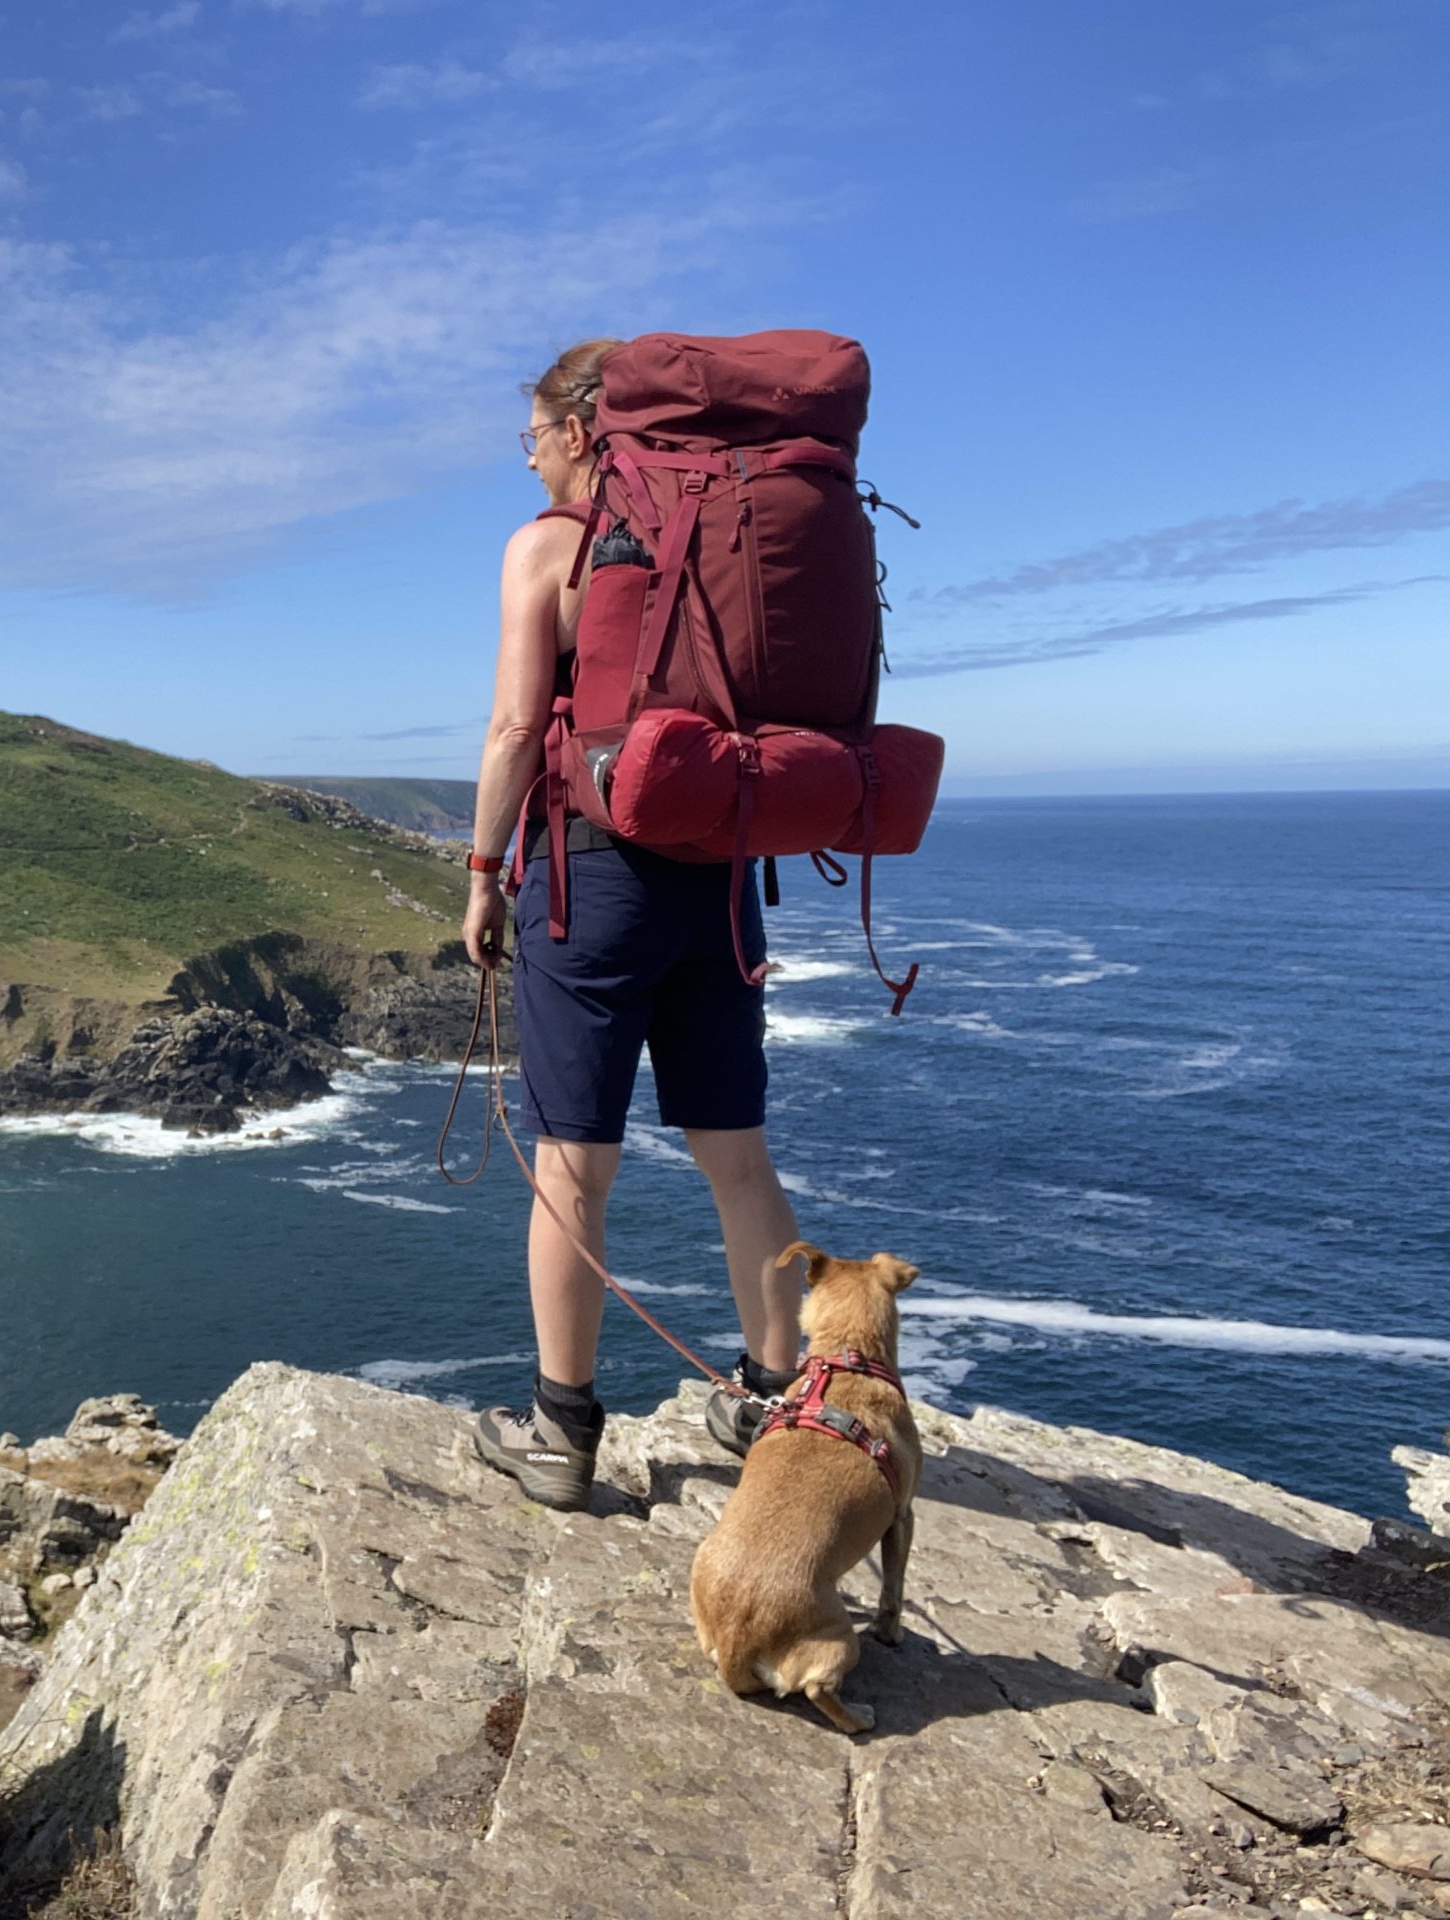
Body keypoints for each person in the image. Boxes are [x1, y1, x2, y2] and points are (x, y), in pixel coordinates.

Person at [462, 338, 808, 1512]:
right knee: (737, 1153)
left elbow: (516, 732)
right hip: (719, 878)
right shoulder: (724, 535)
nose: (529, 459)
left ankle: (560, 1435)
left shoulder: (552, 547)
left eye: (532, 437)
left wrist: (479, 873)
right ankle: (771, 1400)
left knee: (572, 1166)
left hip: (592, 876)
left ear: (576, 430)